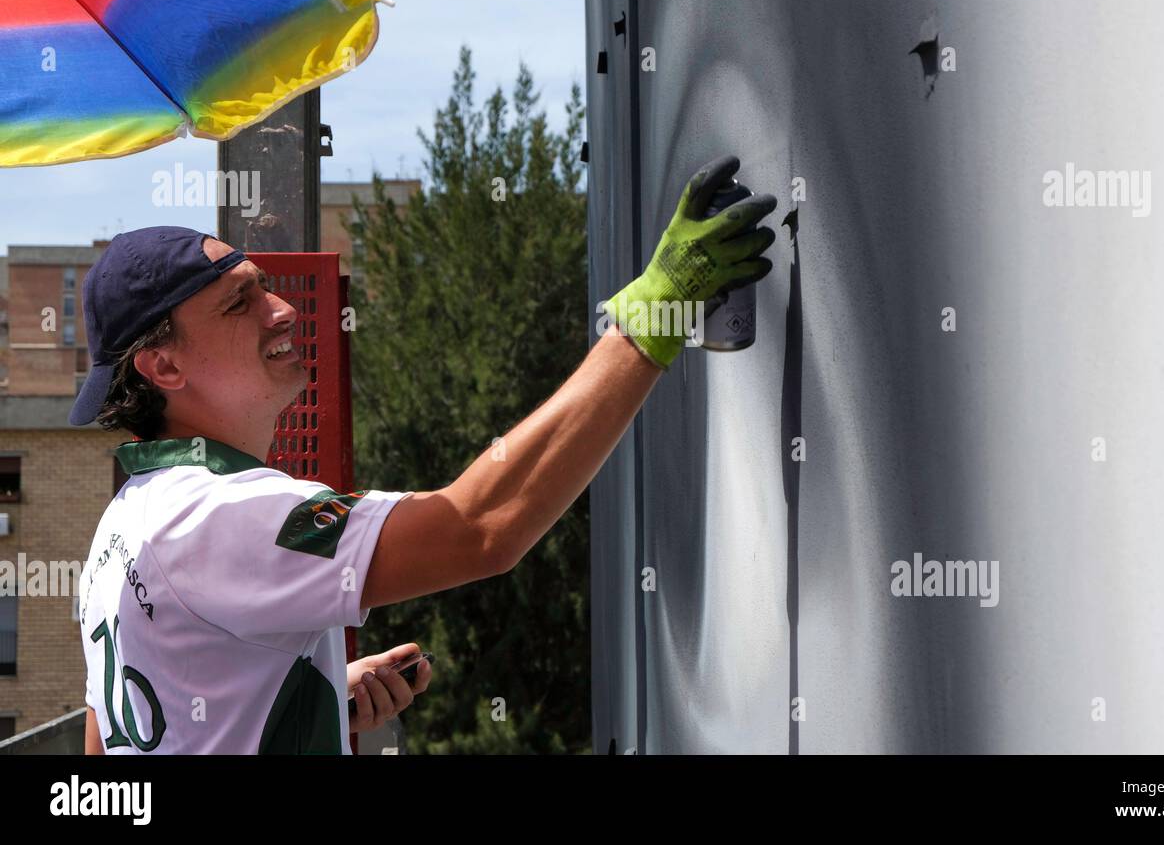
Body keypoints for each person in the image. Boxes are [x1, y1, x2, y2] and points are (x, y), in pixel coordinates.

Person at [73, 154, 776, 753]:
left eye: (265, 287)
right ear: (164, 367)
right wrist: (656, 310)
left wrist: (313, 703)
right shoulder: (223, 514)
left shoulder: (123, 524)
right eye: (239, 303)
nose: (281, 310)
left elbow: (108, 739)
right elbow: (477, 528)